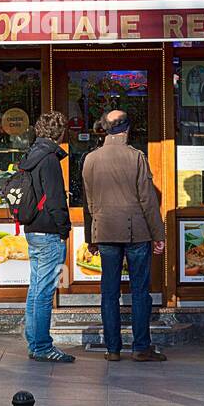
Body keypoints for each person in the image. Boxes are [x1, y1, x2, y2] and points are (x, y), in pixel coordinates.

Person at [82, 109, 167, 362]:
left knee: (109, 291)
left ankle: (112, 349)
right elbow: (147, 200)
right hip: (136, 232)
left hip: (105, 230)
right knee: (140, 290)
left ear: (105, 129)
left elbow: (89, 203)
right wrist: (158, 234)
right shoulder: (136, 157)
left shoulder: (90, 159)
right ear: (127, 129)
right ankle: (141, 347)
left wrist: (91, 237)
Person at [20, 111, 75, 364]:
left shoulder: (32, 154)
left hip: (33, 228)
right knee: (44, 292)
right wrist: (64, 228)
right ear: (60, 133)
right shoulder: (50, 159)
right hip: (49, 231)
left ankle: (34, 341)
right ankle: (42, 346)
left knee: (36, 289)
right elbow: (55, 200)